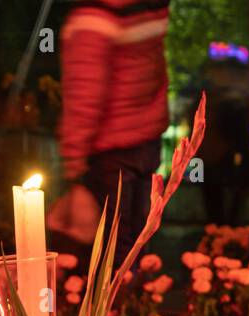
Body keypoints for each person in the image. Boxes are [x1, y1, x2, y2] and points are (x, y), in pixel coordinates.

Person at [48, 0, 170, 256]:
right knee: (133, 248)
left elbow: (85, 96)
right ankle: (137, 294)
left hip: (106, 157)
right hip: (146, 144)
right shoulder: (148, 9)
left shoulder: (94, 15)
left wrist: (73, 166)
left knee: (103, 258)